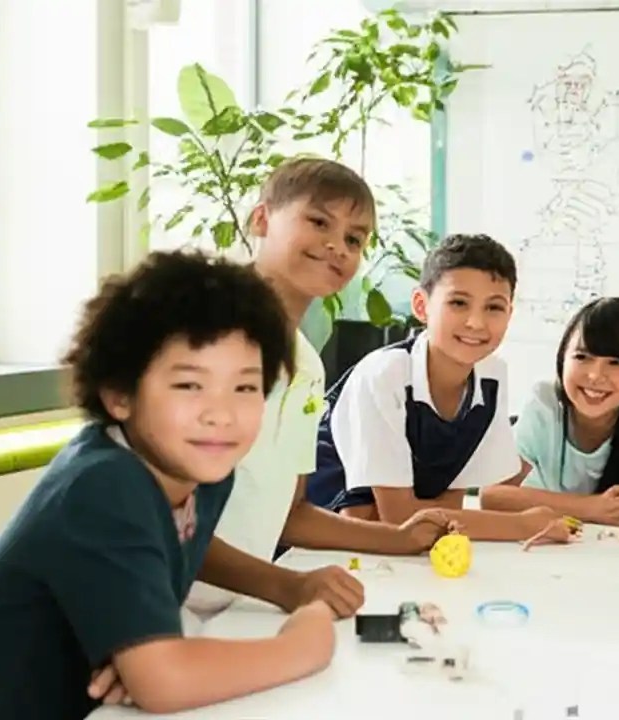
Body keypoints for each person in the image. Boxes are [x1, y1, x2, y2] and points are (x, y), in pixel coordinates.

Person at [0, 251, 335, 720]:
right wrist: (301, 646)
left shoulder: (199, 469)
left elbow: (175, 553)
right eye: (188, 386)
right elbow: (164, 682)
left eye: (245, 387)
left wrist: (140, 652)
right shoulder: (105, 484)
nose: (222, 413)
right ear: (119, 394)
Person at [186, 157, 451, 621]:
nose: (337, 246)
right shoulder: (203, 334)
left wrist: (399, 537)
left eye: (354, 238)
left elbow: (290, 512)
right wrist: (287, 585)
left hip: (233, 611)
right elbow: (159, 517)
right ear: (262, 219)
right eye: (318, 221)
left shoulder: (306, 363)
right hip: (154, 602)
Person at [306, 233, 577, 543]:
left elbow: (448, 510)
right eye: (458, 303)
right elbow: (396, 521)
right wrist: (523, 525)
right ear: (422, 306)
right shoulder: (386, 374)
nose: (476, 322)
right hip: (322, 536)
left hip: (401, 548)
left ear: (509, 314)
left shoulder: (490, 377)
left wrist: (429, 518)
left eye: (494, 307)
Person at [479, 297, 619, 525]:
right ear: (562, 361)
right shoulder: (545, 405)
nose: (595, 375)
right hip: (549, 548)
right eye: (582, 357)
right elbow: (493, 496)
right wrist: (591, 508)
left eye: (615, 362)